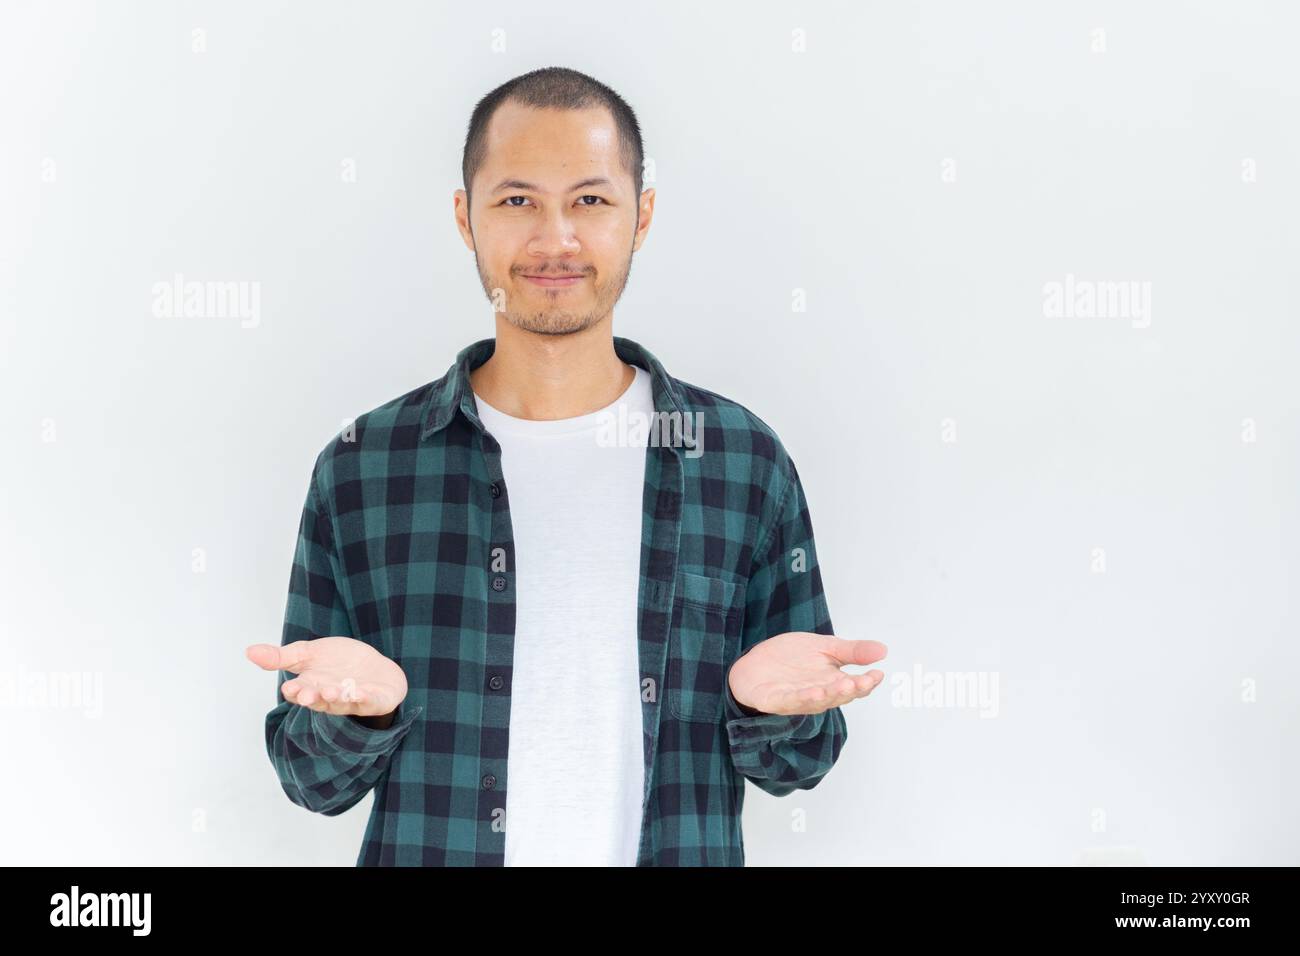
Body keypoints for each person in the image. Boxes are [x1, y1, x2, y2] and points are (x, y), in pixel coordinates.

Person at [245, 66, 886, 866]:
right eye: (517, 201)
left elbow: (803, 761)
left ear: (641, 215)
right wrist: (356, 716)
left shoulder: (741, 460)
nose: (556, 240)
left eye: (590, 200)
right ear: (464, 217)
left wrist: (771, 710)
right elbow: (309, 779)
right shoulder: (363, 468)